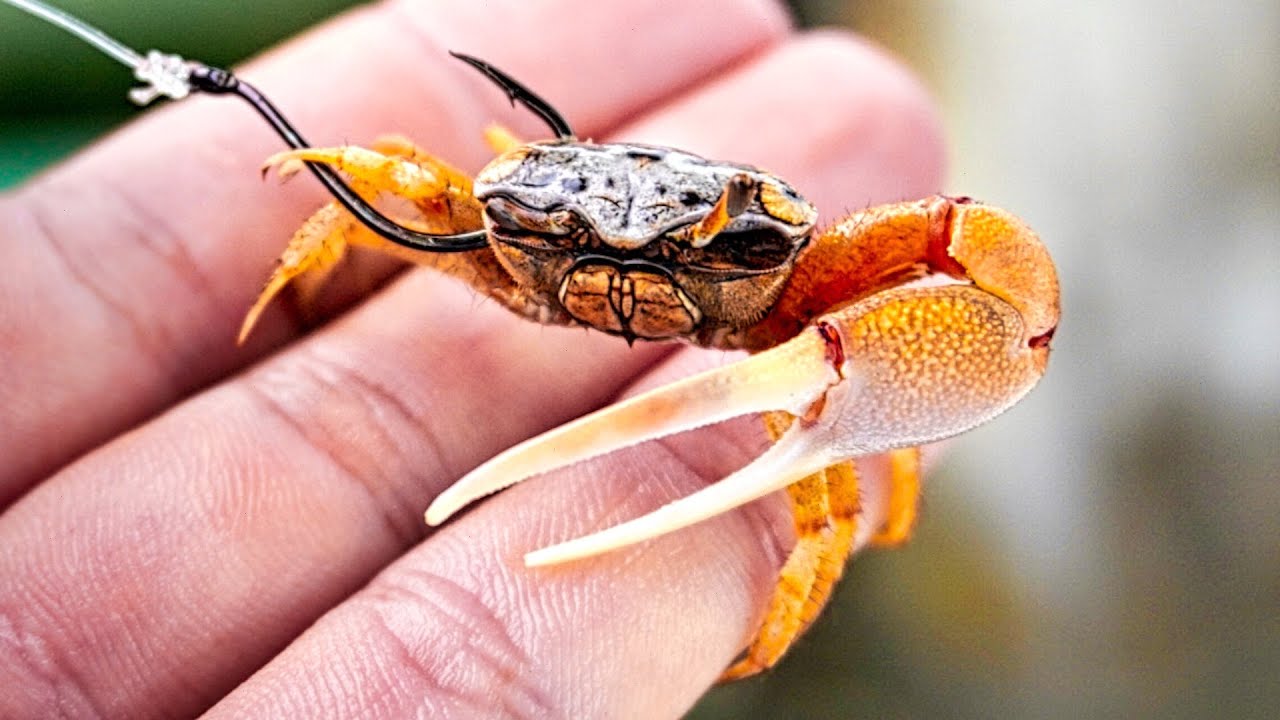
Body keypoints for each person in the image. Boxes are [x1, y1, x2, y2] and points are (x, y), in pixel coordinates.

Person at [0, 0, 943, 716]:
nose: (617, 258)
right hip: (514, 261)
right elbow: (375, 186)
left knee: (830, 479)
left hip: (749, 313)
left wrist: (886, 432)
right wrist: (314, 272)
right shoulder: (476, 228)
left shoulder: (797, 303)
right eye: (576, 230)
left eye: (668, 246)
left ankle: (779, 634)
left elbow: (947, 265)